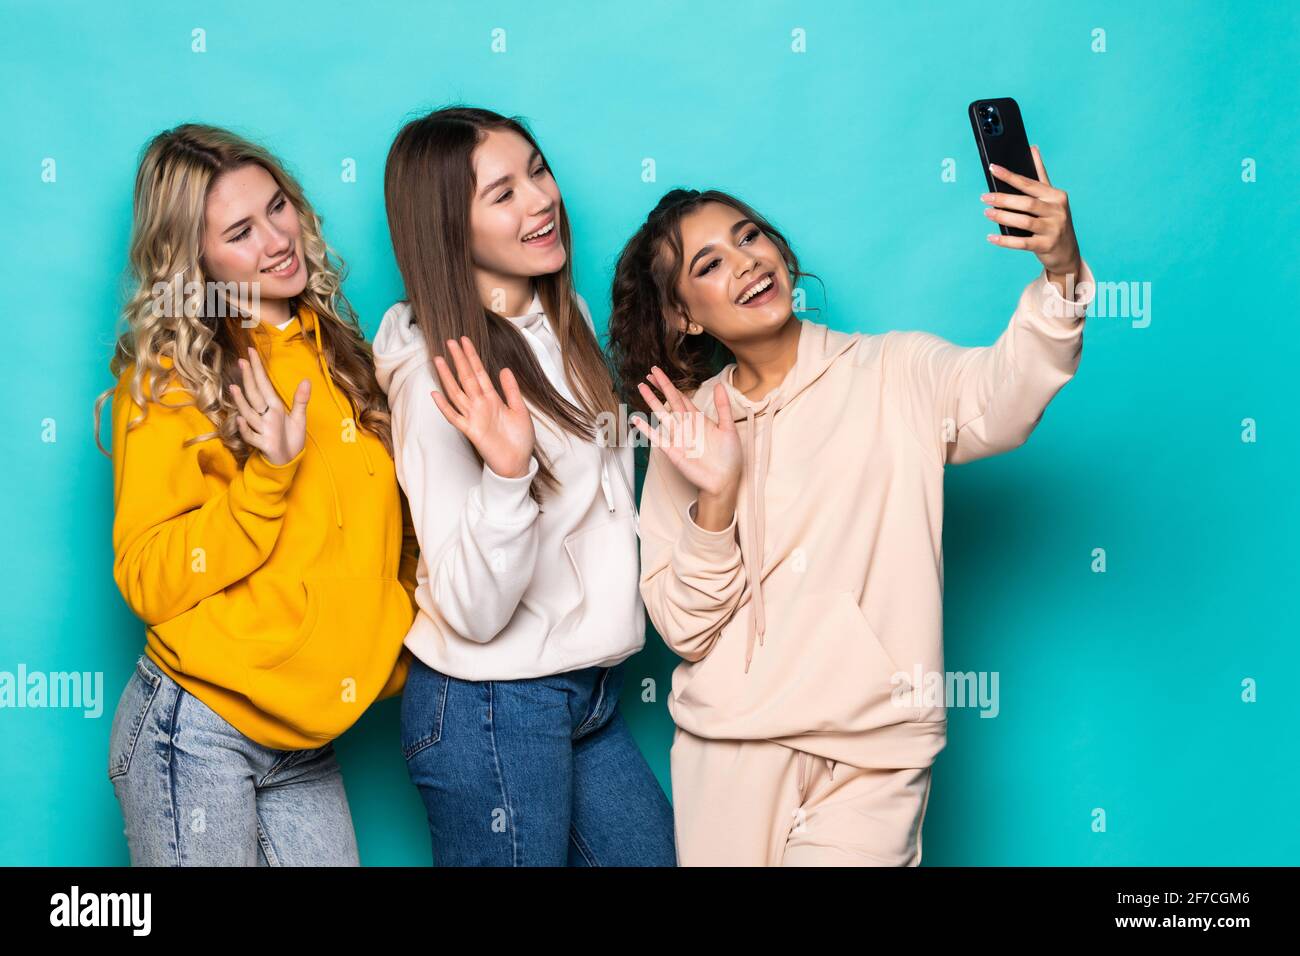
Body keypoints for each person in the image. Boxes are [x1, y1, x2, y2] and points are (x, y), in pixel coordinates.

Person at [608, 150, 1095, 865]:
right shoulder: (689, 425)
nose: (745, 262)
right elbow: (684, 628)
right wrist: (717, 494)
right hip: (728, 752)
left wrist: (1060, 274)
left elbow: (1007, 395)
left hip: (875, 754)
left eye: (750, 237)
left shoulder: (895, 370)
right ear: (683, 316)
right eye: (708, 265)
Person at [96, 123, 417, 866]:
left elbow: (385, 541)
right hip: (196, 729)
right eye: (240, 231)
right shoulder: (168, 384)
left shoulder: (343, 355)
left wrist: (386, 654)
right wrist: (267, 478)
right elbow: (147, 575)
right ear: (196, 259)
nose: (278, 239)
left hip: (304, 737)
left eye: (278, 207)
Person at [374, 106, 676, 866]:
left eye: (538, 172)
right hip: (491, 703)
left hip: (584, 688)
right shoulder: (435, 379)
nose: (541, 200)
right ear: (449, 227)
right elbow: (474, 611)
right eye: (501, 193)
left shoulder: (559, 315)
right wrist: (508, 475)